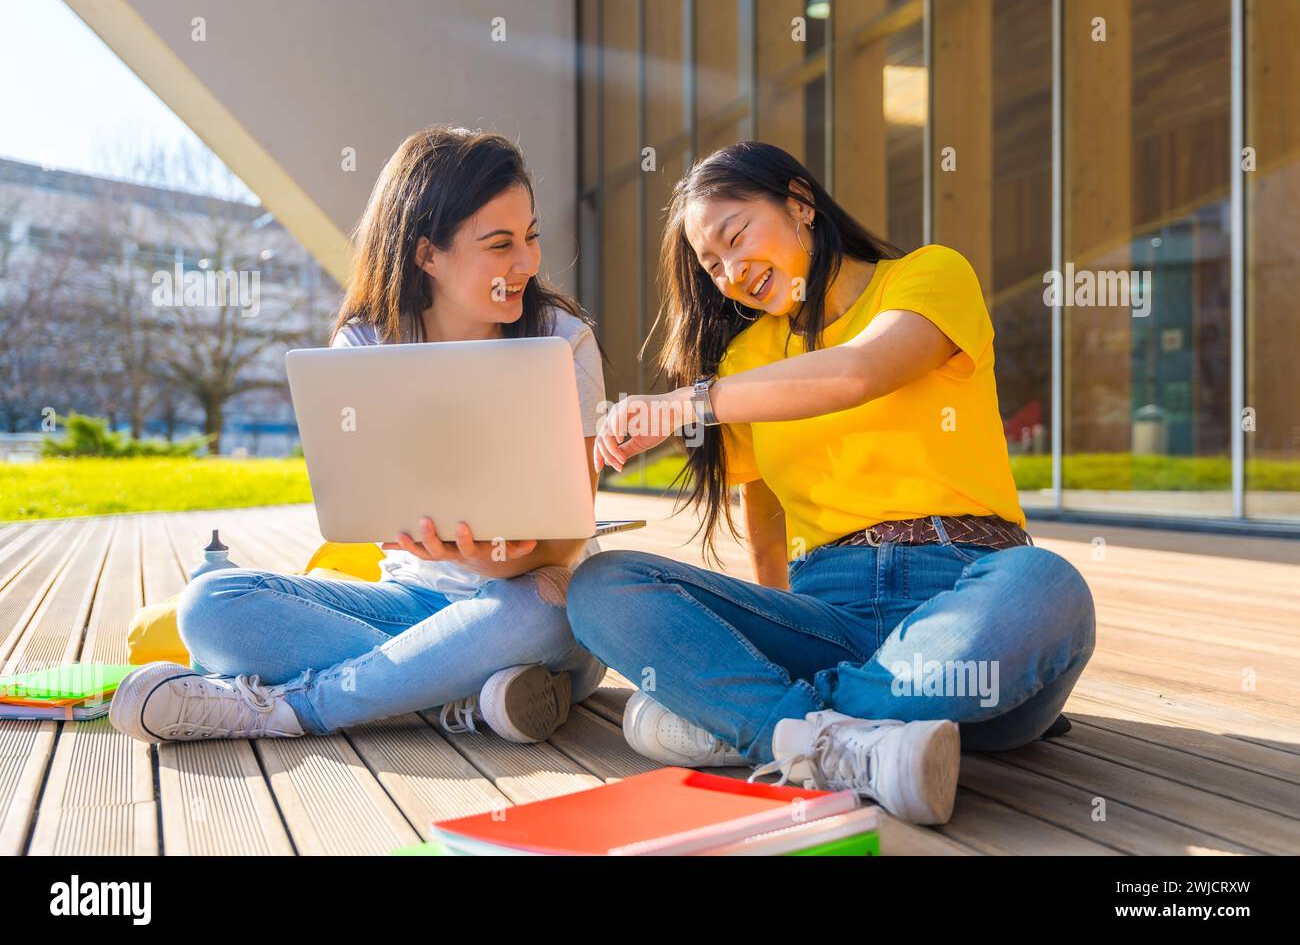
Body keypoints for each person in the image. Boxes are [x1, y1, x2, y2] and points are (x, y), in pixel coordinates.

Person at [565, 141, 1096, 824]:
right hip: (830, 614)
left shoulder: (926, 277)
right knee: (604, 586)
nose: (729, 274)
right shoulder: (745, 357)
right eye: (712, 265)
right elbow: (763, 508)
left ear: (800, 203)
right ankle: (834, 736)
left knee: (1045, 586)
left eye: (736, 237)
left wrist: (691, 402)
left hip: (966, 602)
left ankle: (762, 724)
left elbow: (858, 371)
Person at [111, 126, 608, 747]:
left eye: (531, 236)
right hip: (411, 599)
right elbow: (363, 502)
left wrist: (485, 559)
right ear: (428, 254)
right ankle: (464, 692)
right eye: (500, 243)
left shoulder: (563, 340)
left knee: (548, 614)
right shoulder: (366, 345)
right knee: (210, 605)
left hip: (525, 602)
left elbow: (566, 540)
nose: (528, 262)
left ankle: (296, 707)